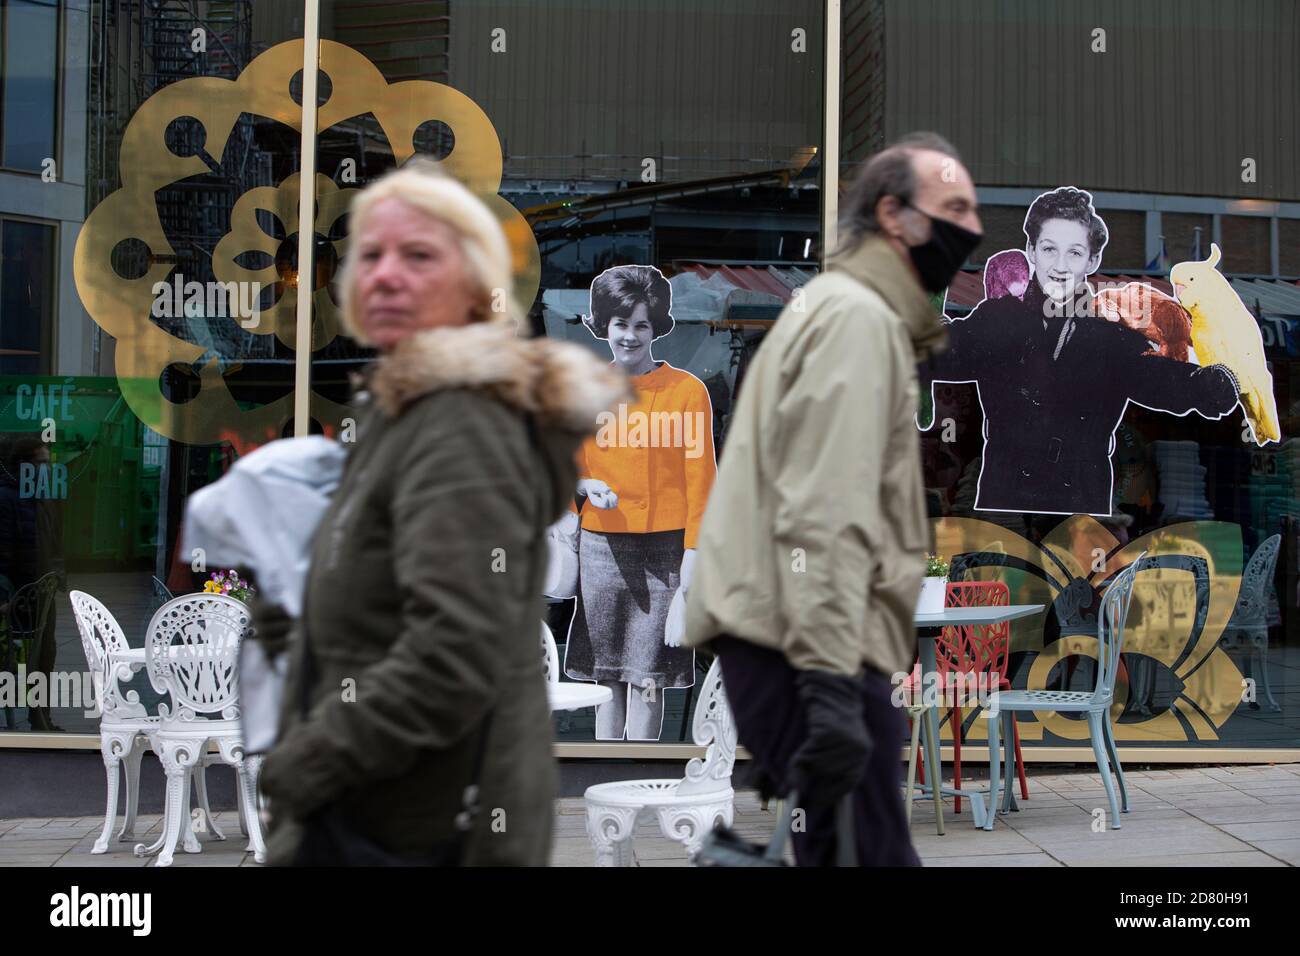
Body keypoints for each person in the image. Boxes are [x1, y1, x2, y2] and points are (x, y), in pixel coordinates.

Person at [255, 162, 627, 866]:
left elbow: (454, 651)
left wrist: (311, 758)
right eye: (371, 254)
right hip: (394, 808)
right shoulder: (407, 403)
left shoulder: (459, 417)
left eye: (419, 255)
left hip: (417, 826)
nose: (387, 273)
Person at [684, 132, 982, 866]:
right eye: (953, 208)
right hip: (811, 650)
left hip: (799, 642)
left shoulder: (847, 310)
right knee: (869, 853)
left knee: (846, 849)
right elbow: (823, 512)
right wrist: (829, 691)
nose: (971, 229)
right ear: (894, 215)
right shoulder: (858, 320)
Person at [920, 186, 1239, 516]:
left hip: (1080, 508)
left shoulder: (1110, 332)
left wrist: (1210, 385)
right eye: (1048, 249)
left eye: (1074, 253)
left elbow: (1157, 379)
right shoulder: (998, 320)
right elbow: (943, 352)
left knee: (1077, 568)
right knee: (1007, 569)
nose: (1060, 266)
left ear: (1093, 259)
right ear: (1031, 249)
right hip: (1006, 505)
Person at [560, 265, 717, 740]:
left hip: (666, 550)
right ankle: (606, 777)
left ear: (656, 328)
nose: (630, 336)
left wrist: (694, 553)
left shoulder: (687, 392)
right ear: (604, 325)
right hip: (601, 547)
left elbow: (702, 478)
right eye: (620, 324)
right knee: (608, 671)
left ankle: (642, 771)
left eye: (641, 325)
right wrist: (583, 490)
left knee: (650, 674)